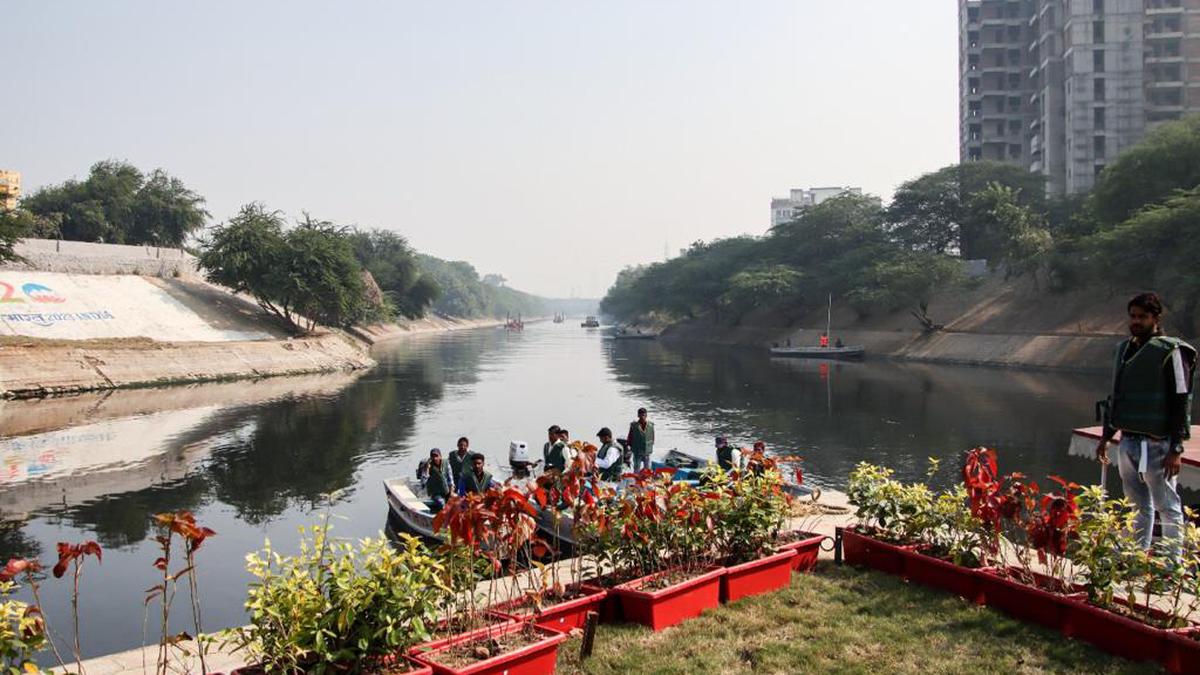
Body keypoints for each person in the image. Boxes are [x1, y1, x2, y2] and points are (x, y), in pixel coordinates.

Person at [1095, 292, 1196, 556]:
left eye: (1143, 317)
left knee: (1167, 505)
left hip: (1158, 443)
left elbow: (1182, 400)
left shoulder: (1172, 352)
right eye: (1133, 316)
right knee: (1137, 504)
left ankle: (1172, 565)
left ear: (1155, 318)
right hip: (1128, 439)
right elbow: (1116, 397)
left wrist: (1176, 448)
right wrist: (1106, 437)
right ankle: (1137, 558)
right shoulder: (1125, 350)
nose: (1136, 321)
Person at [626, 408, 655, 473]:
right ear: (638, 415)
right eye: (641, 415)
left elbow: (652, 437)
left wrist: (651, 445)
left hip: (647, 452)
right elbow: (630, 437)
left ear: (646, 415)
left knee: (648, 470)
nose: (642, 417)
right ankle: (636, 481)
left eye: (644, 415)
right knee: (637, 468)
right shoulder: (633, 426)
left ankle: (646, 481)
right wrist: (629, 449)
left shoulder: (651, 425)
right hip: (637, 452)